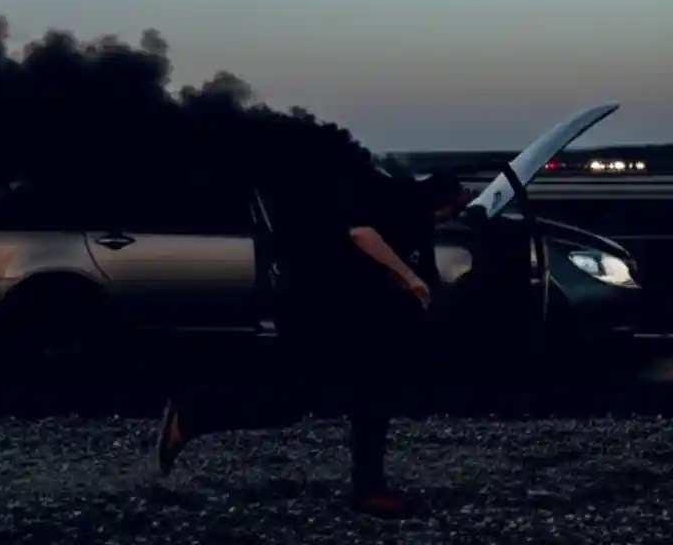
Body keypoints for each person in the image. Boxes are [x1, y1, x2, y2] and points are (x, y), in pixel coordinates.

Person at [154, 169, 471, 519]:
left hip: (337, 312)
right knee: (303, 397)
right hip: (316, 307)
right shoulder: (404, 206)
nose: (450, 218)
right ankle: (191, 417)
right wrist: (411, 279)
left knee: (354, 396)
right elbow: (362, 234)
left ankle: (369, 487)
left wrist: (415, 291)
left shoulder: (413, 213)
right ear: (439, 200)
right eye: (452, 210)